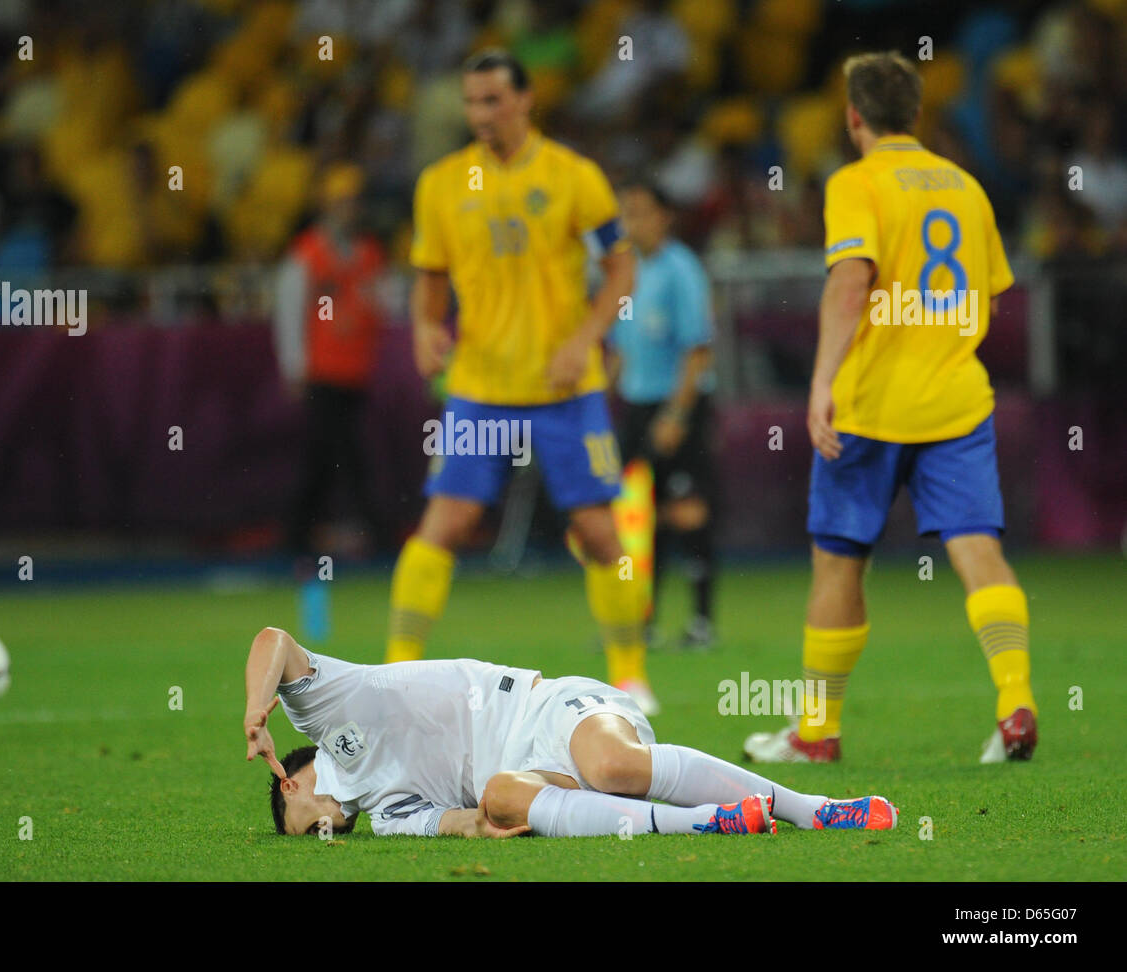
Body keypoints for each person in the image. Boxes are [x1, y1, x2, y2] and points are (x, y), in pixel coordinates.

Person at [745, 52, 1037, 765]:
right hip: (955, 400)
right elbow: (992, 291)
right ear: (915, 113)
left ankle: (816, 731)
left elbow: (851, 280)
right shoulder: (965, 187)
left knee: (840, 563)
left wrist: (821, 383)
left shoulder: (856, 181)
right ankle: (1015, 701)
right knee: (978, 548)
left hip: (871, 405)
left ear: (852, 118)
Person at [384, 49, 658, 714]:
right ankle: (395, 675)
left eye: (493, 101)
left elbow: (621, 269)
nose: (481, 114)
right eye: (472, 102)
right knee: (445, 522)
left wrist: (584, 339)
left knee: (598, 532)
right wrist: (424, 328)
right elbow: (429, 277)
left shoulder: (575, 177)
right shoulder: (442, 184)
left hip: (566, 389)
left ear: (525, 100)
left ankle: (628, 676)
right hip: (480, 387)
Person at [245, 627, 898, 837]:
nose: (326, 828)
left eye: (306, 818)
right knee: (500, 793)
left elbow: (273, 641)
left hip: (549, 708)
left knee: (614, 766)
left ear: (293, 777)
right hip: (534, 773)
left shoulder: (327, 714)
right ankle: (710, 820)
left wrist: (254, 712)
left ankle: (816, 811)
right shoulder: (385, 816)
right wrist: (486, 820)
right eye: (318, 836)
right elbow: (469, 823)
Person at [274, 163, 388, 637]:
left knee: (348, 457)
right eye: (341, 200)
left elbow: (379, 303)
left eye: (352, 200)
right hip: (322, 374)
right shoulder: (309, 253)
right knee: (326, 459)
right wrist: (295, 366)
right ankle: (301, 540)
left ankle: (325, 539)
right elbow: (289, 308)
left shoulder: (366, 253)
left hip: (353, 373)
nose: (349, 207)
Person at [608, 178, 718, 650]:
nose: (631, 222)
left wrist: (675, 415)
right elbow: (618, 348)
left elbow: (697, 350)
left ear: (663, 217)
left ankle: (701, 622)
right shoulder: (627, 271)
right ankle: (643, 622)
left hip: (677, 403)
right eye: (625, 213)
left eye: (640, 212)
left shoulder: (681, 269)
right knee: (636, 516)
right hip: (636, 403)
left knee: (686, 511)